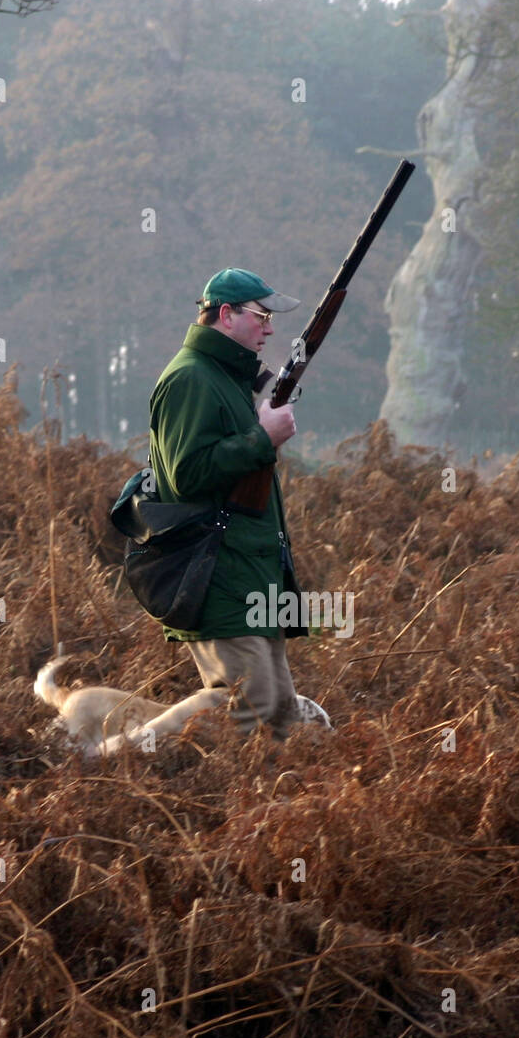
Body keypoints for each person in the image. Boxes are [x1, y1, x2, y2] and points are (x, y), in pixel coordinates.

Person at [127, 267, 308, 746]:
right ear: (226, 315)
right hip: (220, 576)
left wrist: (258, 437)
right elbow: (189, 476)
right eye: (261, 315)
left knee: (280, 718)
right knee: (242, 716)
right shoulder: (190, 379)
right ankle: (113, 758)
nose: (269, 328)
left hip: (249, 574)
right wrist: (262, 438)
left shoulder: (225, 379)